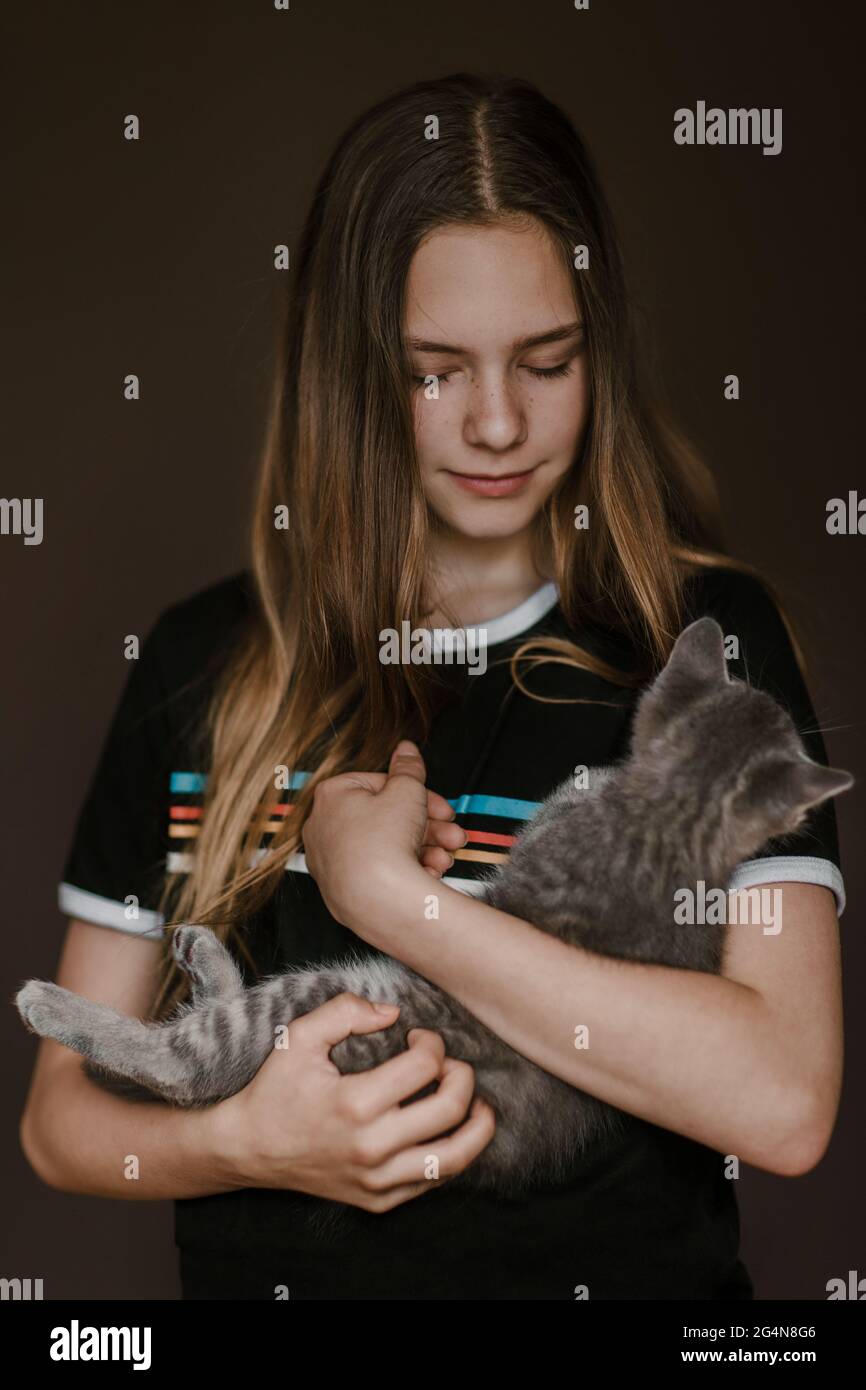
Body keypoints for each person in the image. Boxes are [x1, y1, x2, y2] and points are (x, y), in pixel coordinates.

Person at [20, 73, 845, 1301]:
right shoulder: (199, 661)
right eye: (434, 370)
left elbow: (780, 1102)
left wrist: (394, 903)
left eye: (546, 361)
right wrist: (239, 1143)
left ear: (597, 350)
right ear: (352, 375)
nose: (498, 423)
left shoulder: (703, 650)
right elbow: (58, 1127)